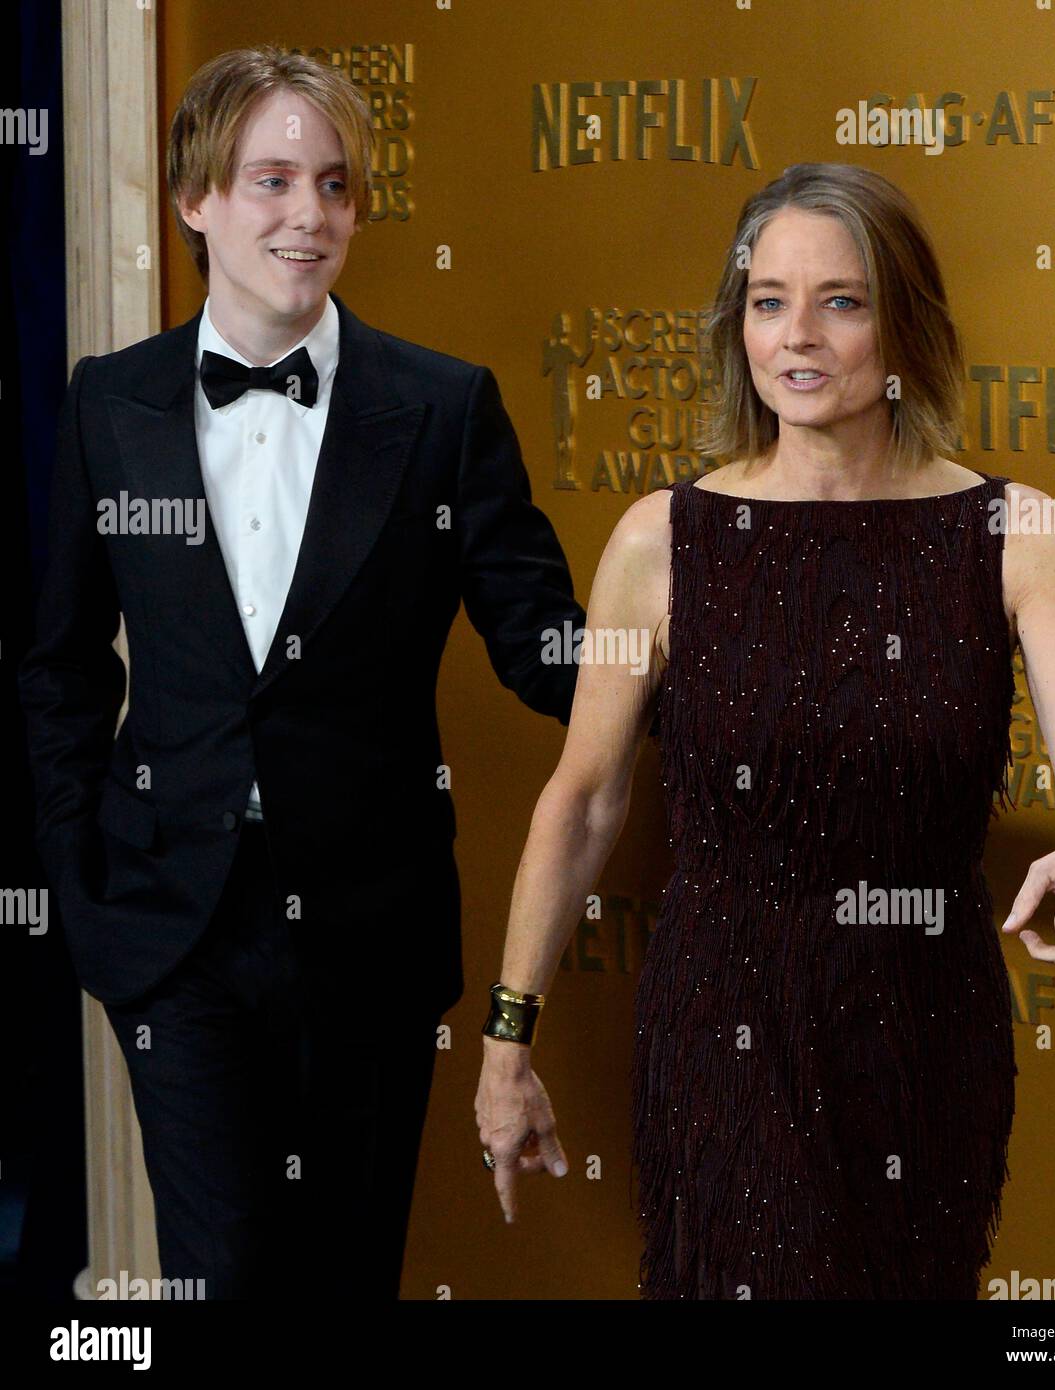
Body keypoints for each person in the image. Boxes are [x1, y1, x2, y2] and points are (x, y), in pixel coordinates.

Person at [474, 162, 1055, 1299]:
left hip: (927, 1032)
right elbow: (585, 799)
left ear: (903, 322)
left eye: (841, 300)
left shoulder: (1014, 532)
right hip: (727, 1027)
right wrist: (506, 1038)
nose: (799, 335)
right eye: (768, 299)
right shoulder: (661, 541)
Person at [20, 44, 585, 1298]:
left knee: (344, 1272)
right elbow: (59, 667)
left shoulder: (441, 408)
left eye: (332, 185)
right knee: (220, 1273)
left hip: (368, 927)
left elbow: (539, 639)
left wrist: (683, 655)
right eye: (270, 179)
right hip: (174, 926)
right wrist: (83, 876)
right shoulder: (110, 405)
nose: (308, 216)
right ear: (194, 198)